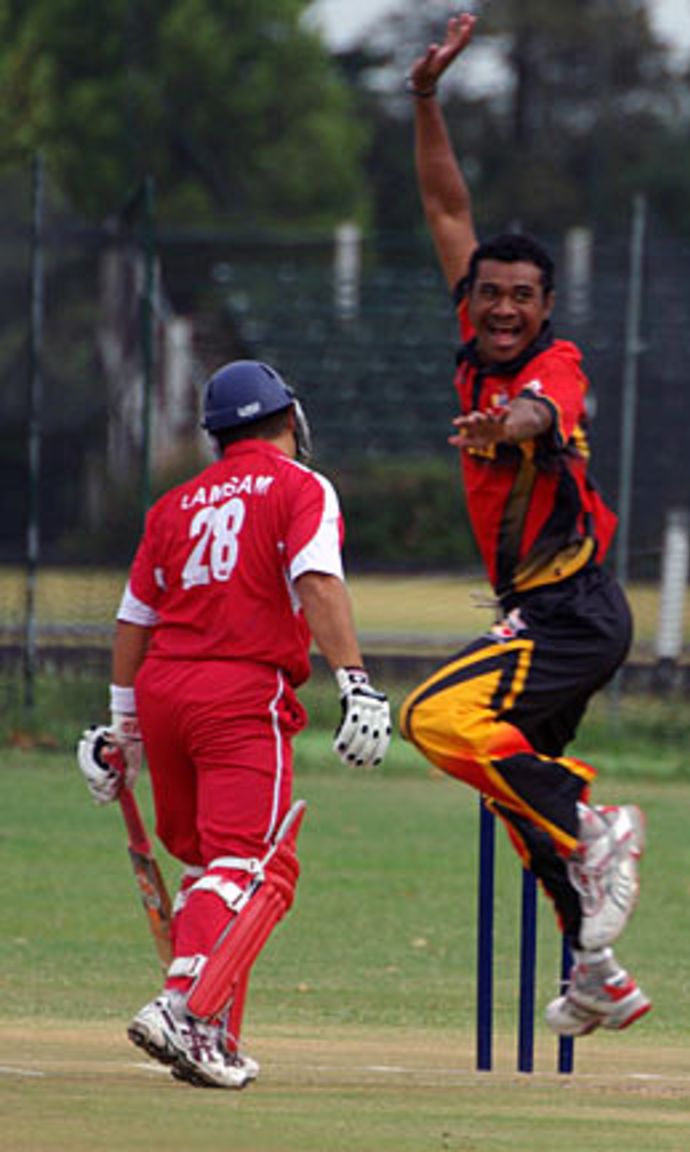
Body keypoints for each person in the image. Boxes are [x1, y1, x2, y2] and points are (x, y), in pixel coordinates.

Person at [397, 12, 651, 1039]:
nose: (503, 309)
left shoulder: (555, 367)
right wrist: (423, 98)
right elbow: (445, 202)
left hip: (573, 613)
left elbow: (544, 415)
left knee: (434, 720)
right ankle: (598, 971)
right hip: (543, 613)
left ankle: (601, 823)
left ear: (547, 306)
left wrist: (509, 426)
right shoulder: (473, 335)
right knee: (508, 787)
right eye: (492, 295)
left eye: (521, 298)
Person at [76, 360, 392, 1087]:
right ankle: (183, 1007)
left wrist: (121, 730)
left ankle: (204, 1032)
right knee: (249, 865)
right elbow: (316, 579)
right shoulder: (302, 487)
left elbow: (135, 617)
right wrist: (357, 684)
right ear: (291, 417)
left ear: (217, 435)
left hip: (163, 693)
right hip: (239, 692)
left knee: (207, 865)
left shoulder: (175, 503)